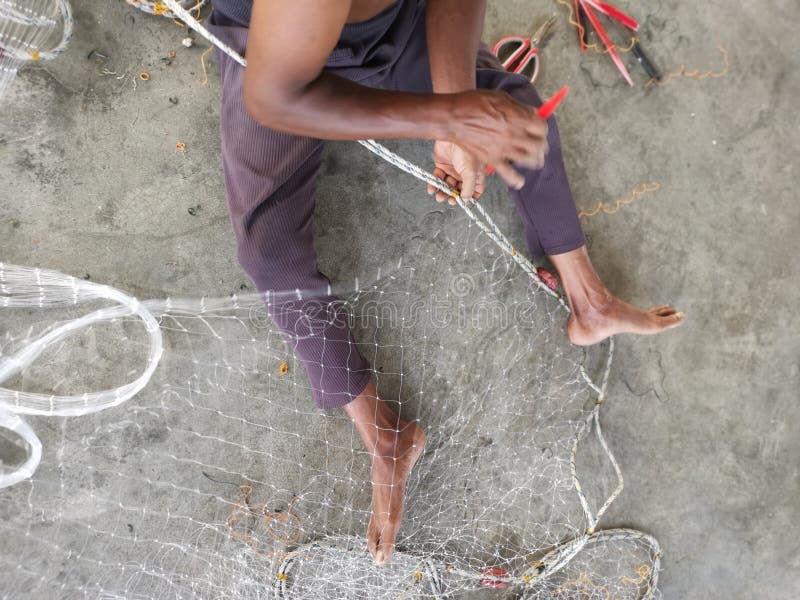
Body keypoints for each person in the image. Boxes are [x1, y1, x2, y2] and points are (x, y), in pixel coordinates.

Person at [207, 0, 684, 566]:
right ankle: (383, 433)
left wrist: (460, 111)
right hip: (274, 59)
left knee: (516, 116)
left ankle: (590, 303)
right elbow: (275, 97)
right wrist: (447, 117)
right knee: (268, 253)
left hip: (388, 23)